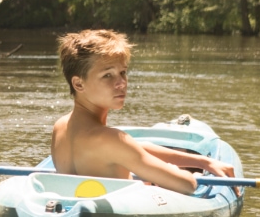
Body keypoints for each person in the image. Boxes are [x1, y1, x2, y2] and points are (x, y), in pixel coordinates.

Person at [50, 28, 235, 193]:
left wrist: (203, 162)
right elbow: (187, 185)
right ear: (78, 83)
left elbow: (131, 149)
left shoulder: (61, 127)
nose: (121, 83)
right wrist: (169, 171)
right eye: (107, 75)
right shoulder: (110, 140)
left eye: (123, 72)